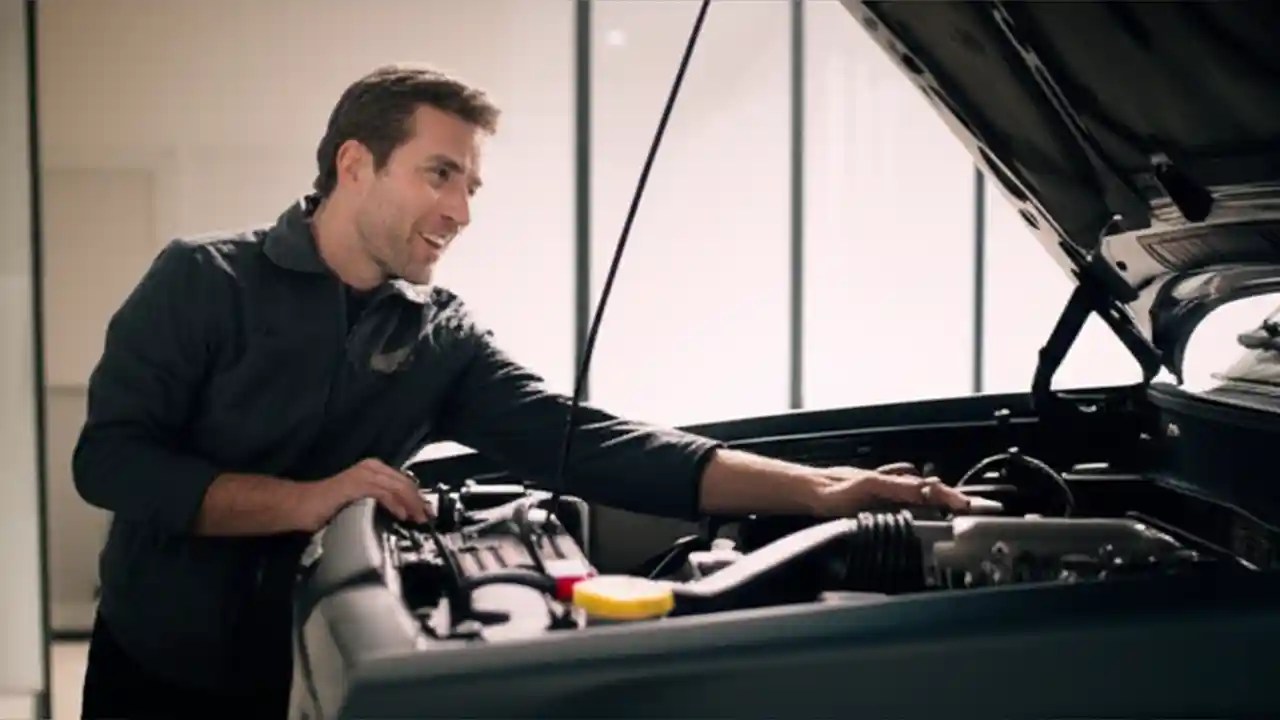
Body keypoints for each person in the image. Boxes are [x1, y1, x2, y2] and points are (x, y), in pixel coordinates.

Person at [72, 64, 975, 719]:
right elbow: (110, 461)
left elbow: (596, 444)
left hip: (318, 675)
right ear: (354, 164)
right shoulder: (202, 279)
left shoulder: (442, 335)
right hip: (155, 672)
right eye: (439, 173)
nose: (461, 210)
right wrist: (309, 501)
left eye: (470, 185)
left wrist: (828, 491)